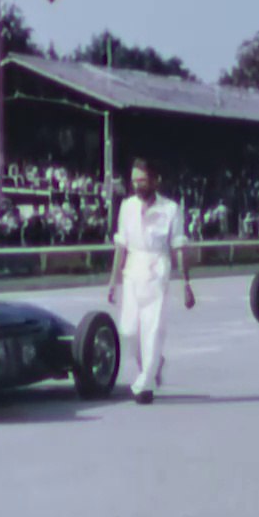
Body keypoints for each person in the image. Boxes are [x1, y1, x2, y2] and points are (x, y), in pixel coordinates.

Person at [107, 158, 195, 405]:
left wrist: (186, 283)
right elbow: (120, 246)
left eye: (142, 181)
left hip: (158, 268)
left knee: (152, 329)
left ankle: (145, 384)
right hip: (132, 269)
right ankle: (152, 364)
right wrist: (113, 283)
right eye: (134, 181)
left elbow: (179, 247)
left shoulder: (171, 209)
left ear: (156, 181)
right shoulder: (126, 207)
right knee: (129, 330)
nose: (137, 185)